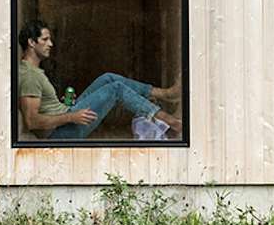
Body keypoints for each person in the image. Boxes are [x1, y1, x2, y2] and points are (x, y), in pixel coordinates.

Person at [16, 20, 182, 141]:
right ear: (31, 42)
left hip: (65, 117)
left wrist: (64, 108)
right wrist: (71, 117)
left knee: (108, 78)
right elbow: (32, 121)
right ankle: (171, 122)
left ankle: (166, 94)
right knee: (116, 88)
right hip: (60, 132)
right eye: (45, 40)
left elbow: (44, 109)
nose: (50, 44)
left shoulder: (33, 71)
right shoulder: (29, 76)